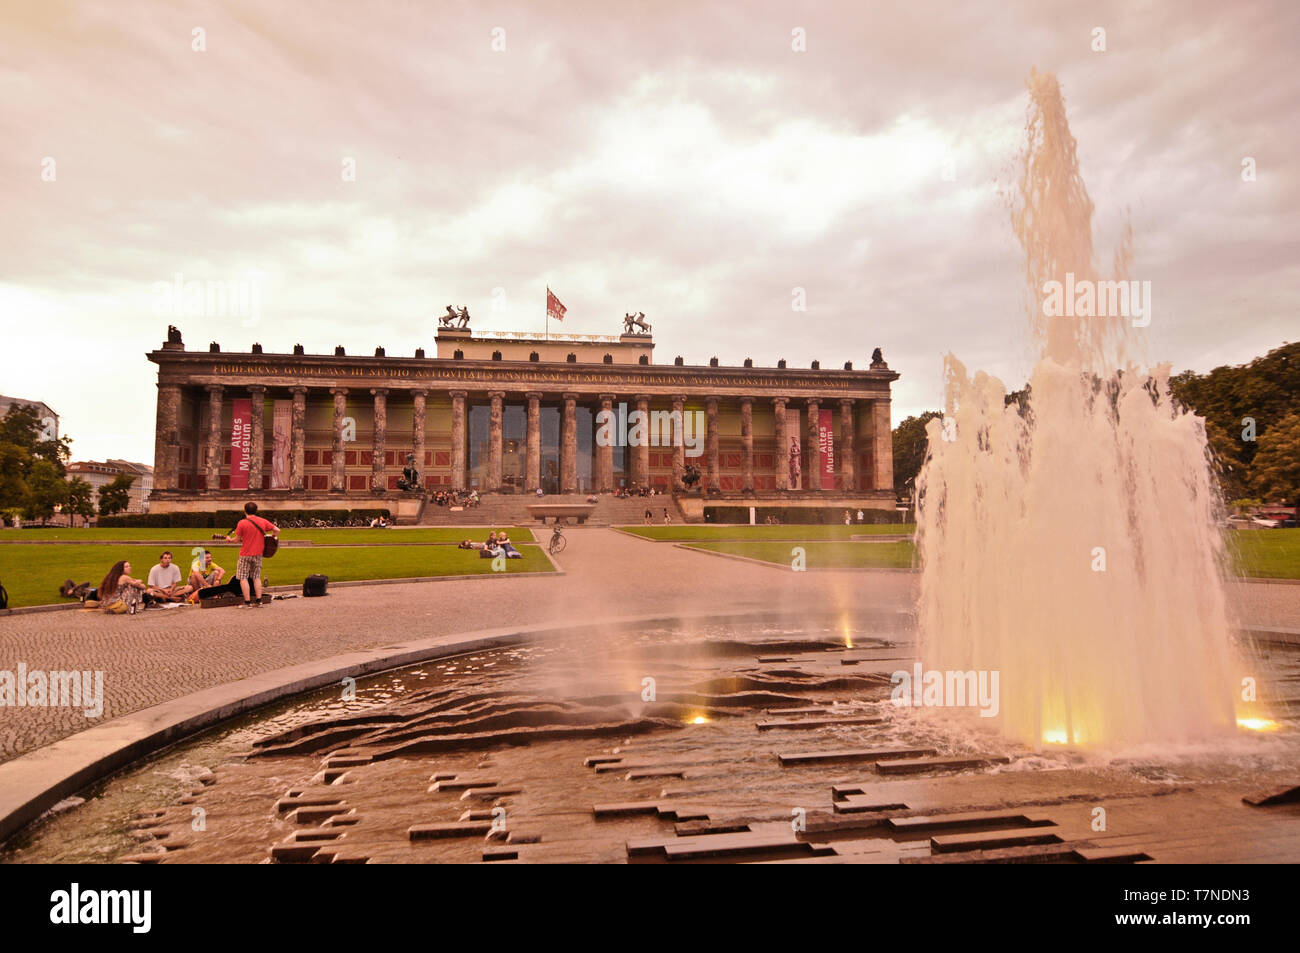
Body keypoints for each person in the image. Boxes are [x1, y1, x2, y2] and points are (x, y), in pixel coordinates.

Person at [225, 501, 279, 609]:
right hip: (258, 554)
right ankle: (259, 601)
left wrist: (229, 540)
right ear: (256, 510)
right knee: (256, 577)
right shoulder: (262, 521)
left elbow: (237, 540)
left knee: (243, 577)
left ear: (245, 511)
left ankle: (247, 602)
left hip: (245, 554)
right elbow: (277, 530)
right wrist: (272, 537)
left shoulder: (242, 523)